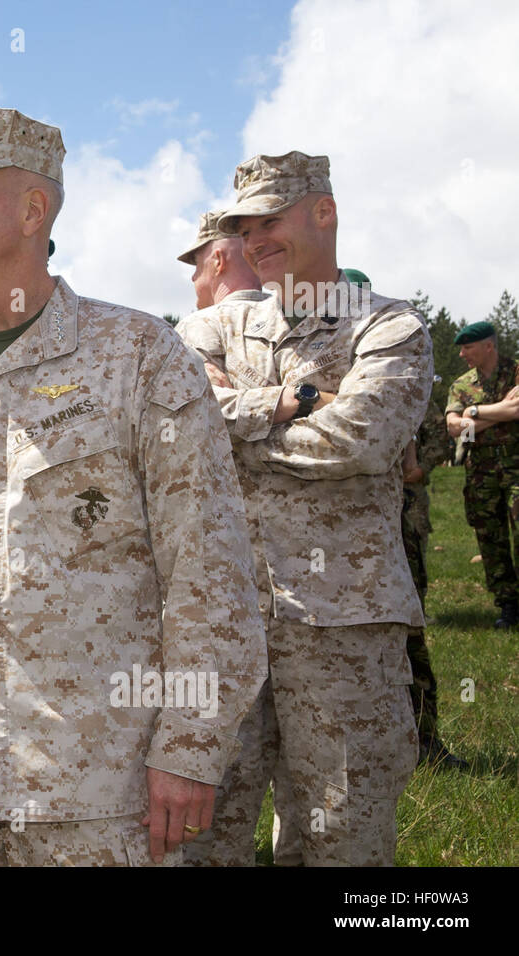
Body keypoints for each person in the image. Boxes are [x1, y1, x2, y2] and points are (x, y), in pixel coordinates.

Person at [0, 98, 267, 867]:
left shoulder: (140, 358)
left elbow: (211, 573)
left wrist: (191, 749)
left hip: (102, 798)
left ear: (33, 208)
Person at [178, 151, 431, 866]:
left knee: (339, 830)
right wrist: (282, 408)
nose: (256, 240)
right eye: (244, 227)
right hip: (221, 617)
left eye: (272, 219)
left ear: (325, 213)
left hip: (343, 622)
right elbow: (179, 420)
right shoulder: (215, 328)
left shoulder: (389, 329)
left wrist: (237, 426)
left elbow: (359, 441)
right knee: (200, 824)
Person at [401, 395, 467, 768]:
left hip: (405, 512)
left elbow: (439, 438)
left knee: (410, 630)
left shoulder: (408, 386)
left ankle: (425, 740)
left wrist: (420, 468)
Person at [445, 321, 519, 628]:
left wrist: (473, 413)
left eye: (468, 348)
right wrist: (501, 409)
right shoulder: (461, 385)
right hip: (481, 472)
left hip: (516, 468)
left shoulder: (515, 372)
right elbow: (454, 430)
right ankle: (509, 606)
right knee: (491, 539)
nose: (463, 354)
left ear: (489, 346)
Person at [177, 210, 261, 310]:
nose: (193, 277)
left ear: (218, 261)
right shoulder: (282, 312)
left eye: (198, 265)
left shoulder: (200, 323)